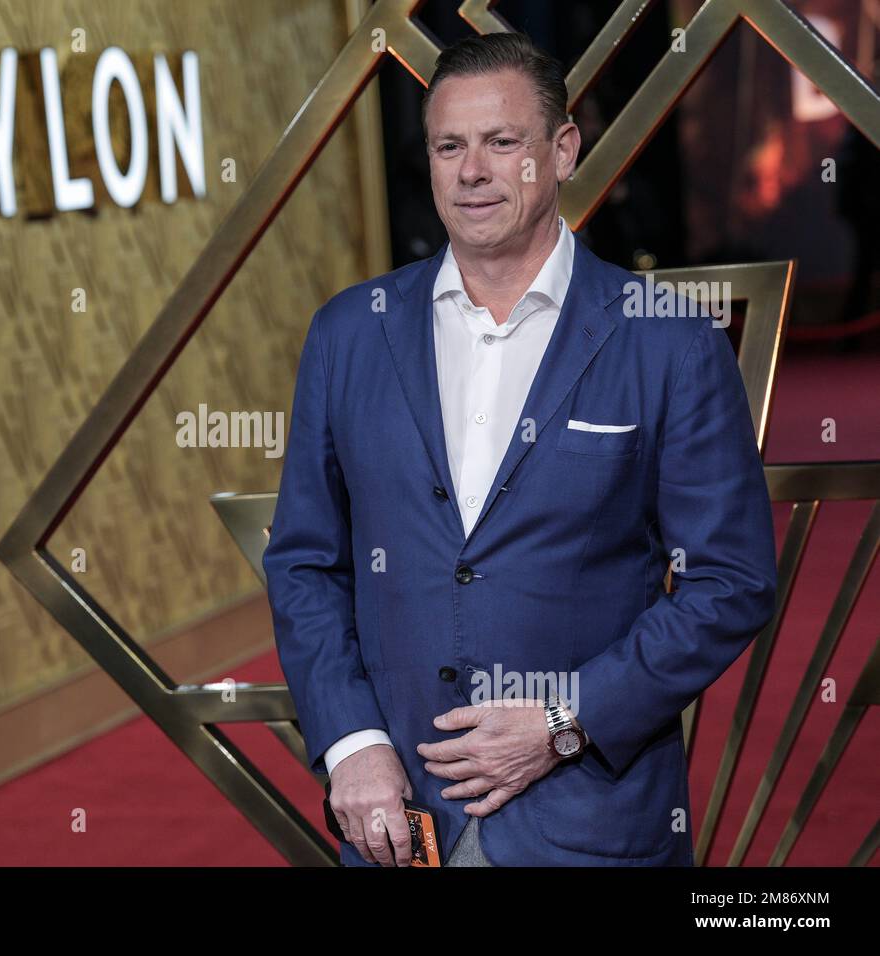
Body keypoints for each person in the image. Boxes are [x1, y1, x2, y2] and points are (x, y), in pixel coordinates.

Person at [261, 32, 778, 867]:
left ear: (562, 150)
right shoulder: (350, 334)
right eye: (449, 146)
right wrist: (351, 742)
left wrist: (562, 722)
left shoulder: (668, 342)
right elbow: (305, 562)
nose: (472, 172)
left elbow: (732, 581)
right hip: (401, 822)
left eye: (502, 143)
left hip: (591, 824)